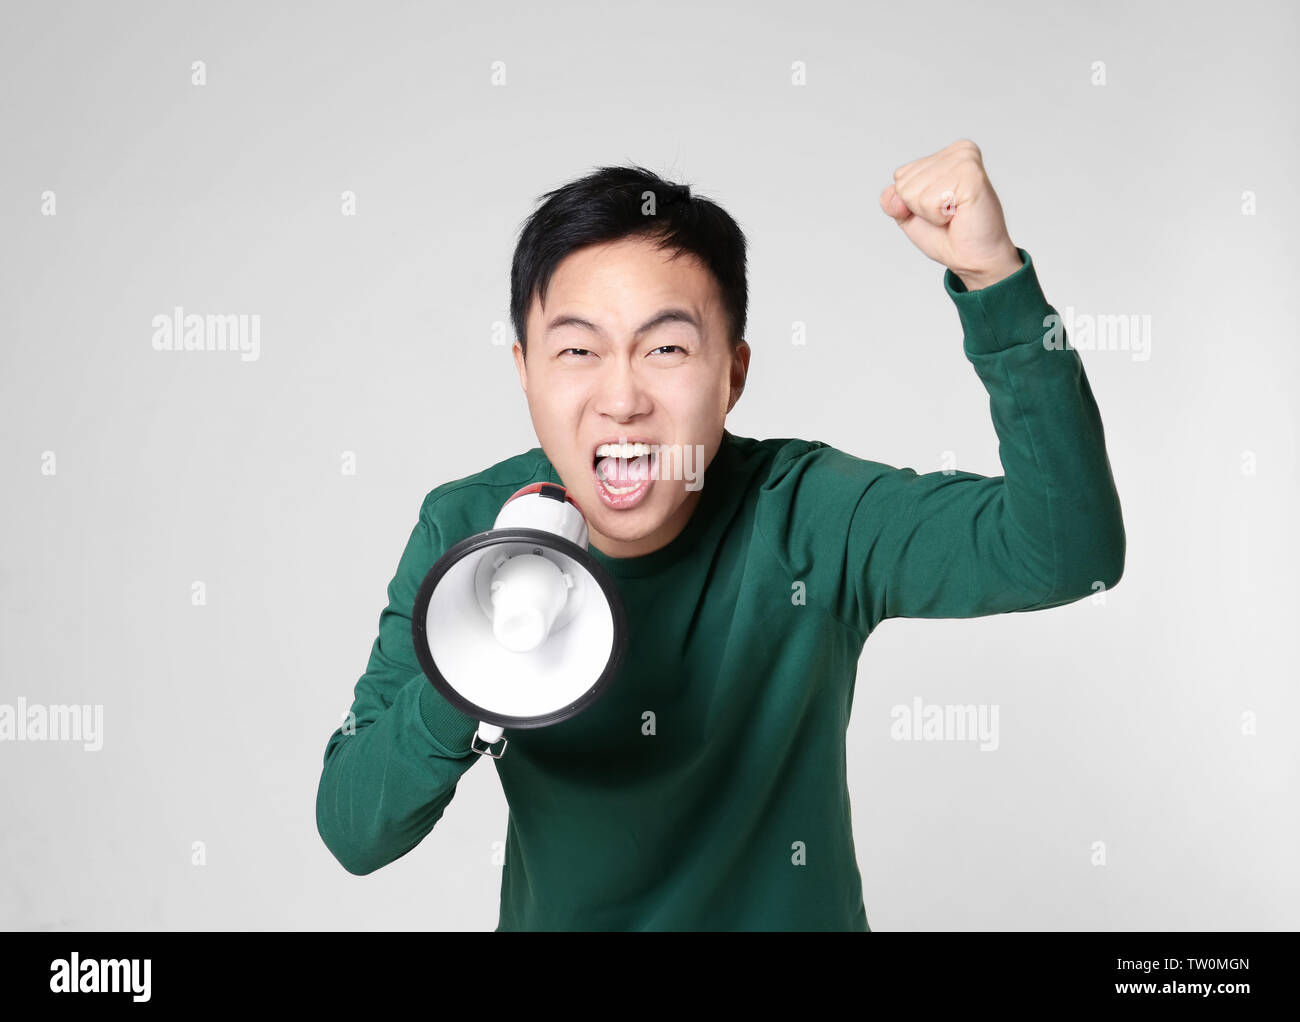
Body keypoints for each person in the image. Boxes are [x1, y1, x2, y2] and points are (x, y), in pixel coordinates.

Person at [315, 144, 1126, 931]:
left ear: (733, 375)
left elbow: (1068, 553)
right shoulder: (468, 529)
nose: (622, 397)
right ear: (525, 368)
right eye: (577, 350)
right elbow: (355, 830)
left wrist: (995, 283)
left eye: (665, 347)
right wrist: (473, 663)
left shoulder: (808, 513)